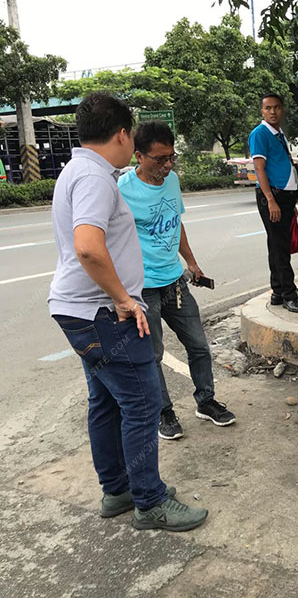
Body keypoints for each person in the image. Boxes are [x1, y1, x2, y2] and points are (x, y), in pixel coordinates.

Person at [48, 92, 207, 531]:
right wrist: (123, 299)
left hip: (80, 311)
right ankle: (149, 501)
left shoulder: (76, 170)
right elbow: (88, 247)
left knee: (105, 401)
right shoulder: (96, 179)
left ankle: (117, 490)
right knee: (142, 403)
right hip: (101, 313)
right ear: (122, 134)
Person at [118, 121, 236, 441]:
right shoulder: (122, 190)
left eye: (172, 157)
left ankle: (206, 401)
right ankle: (163, 411)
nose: (168, 165)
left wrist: (191, 262)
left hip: (175, 282)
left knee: (198, 345)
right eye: (160, 159)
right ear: (139, 156)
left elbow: (176, 222)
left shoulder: (171, 181)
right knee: (153, 355)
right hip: (144, 288)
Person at [248, 93, 298, 313]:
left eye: (277, 107)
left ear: (283, 110)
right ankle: (289, 295)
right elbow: (259, 168)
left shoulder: (278, 134)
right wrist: (271, 200)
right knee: (281, 248)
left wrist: (291, 203)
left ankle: (278, 292)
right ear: (262, 111)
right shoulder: (260, 134)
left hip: (284, 196)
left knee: (276, 245)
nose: (273, 112)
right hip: (273, 195)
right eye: (268, 108)